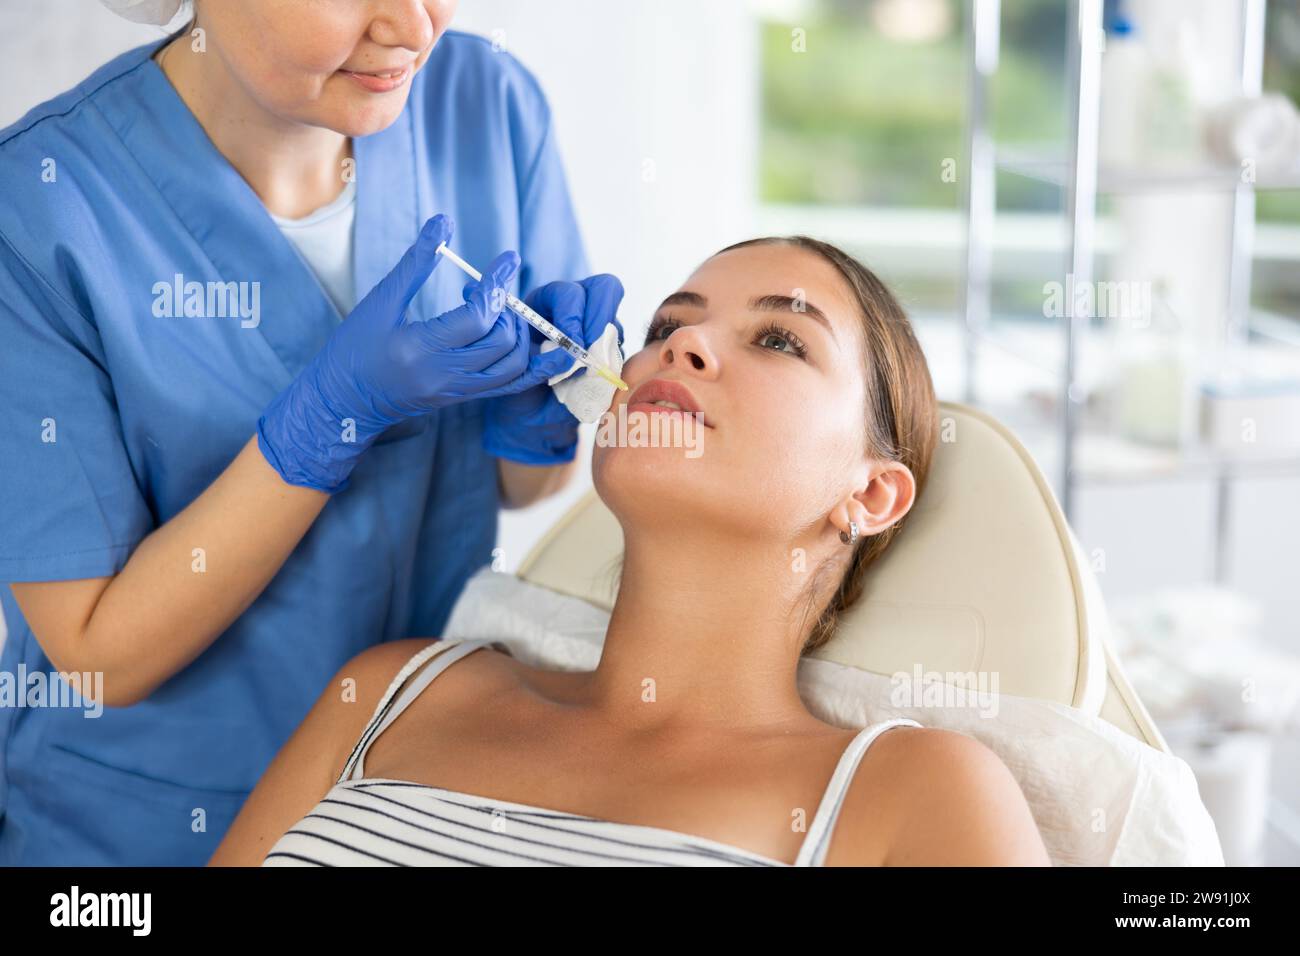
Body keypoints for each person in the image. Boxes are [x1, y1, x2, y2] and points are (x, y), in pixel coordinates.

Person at [0, 0, 622, 865]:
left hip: (400, 818)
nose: (412, 28)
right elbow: (101, 655)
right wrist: (329, 415)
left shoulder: (487, 103)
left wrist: (538, 416)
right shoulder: (35, 214)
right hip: (136, 833)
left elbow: (525, 488)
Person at [211, 236, 1052, 867]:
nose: (678, 348)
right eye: (667, 326)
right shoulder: (390, 691)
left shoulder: (915, 790)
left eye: (781, 340)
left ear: (870, 496)